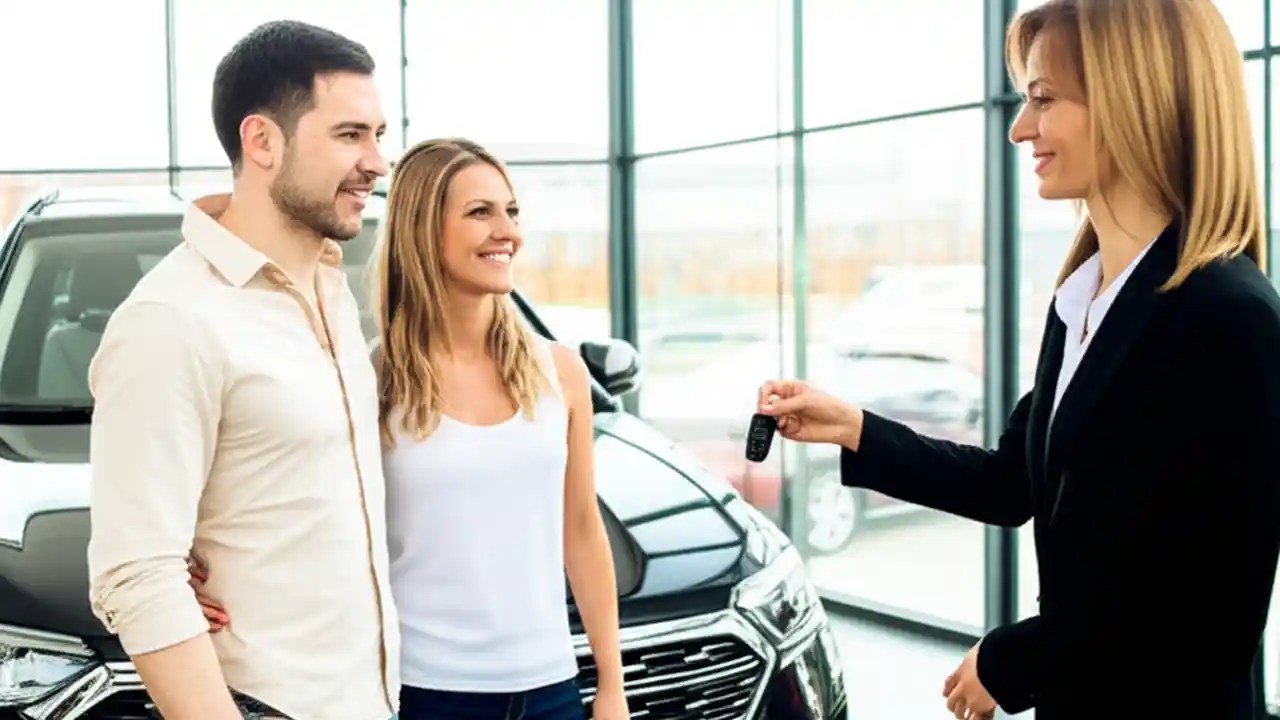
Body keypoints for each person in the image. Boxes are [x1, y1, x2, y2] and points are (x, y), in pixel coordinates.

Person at [756, 1, 1280, 718]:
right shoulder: (1083, 303)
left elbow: (1209, 617)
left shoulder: (1232, 318)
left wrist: (1017, 658)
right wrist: (855, 429)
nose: (1019, 127)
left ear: (1135, 99)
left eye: (1043, 99)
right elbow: (1012, 482)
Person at [193, 137, 630, 720]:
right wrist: (194, 567)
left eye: (512, 211)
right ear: (423, 228)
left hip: (552, 692)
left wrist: (611, 684)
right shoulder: (369, 379)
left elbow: (582, 531)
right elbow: (292, 509)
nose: (508, 232)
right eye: (481, 212)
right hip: (421, 695)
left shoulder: (562, 373)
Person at [87, 20, 399, 720]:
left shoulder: (330, 286)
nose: (378, 162)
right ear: (262, 141)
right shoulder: (171, 319)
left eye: (379, 134)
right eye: (351, 135)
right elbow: (135, 573)